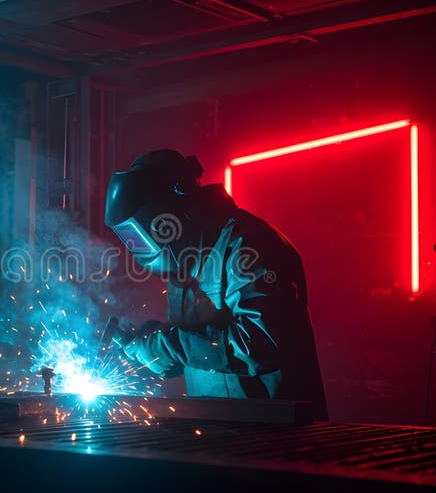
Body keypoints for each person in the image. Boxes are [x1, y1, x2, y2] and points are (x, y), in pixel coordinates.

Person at [105, 149, 327, 420]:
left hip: (276, 432)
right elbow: (199, 347)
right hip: (217, 428)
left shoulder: (249, 244)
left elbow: (259, 345)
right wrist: (147, 345)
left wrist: (167, 345)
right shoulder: (189, 258)